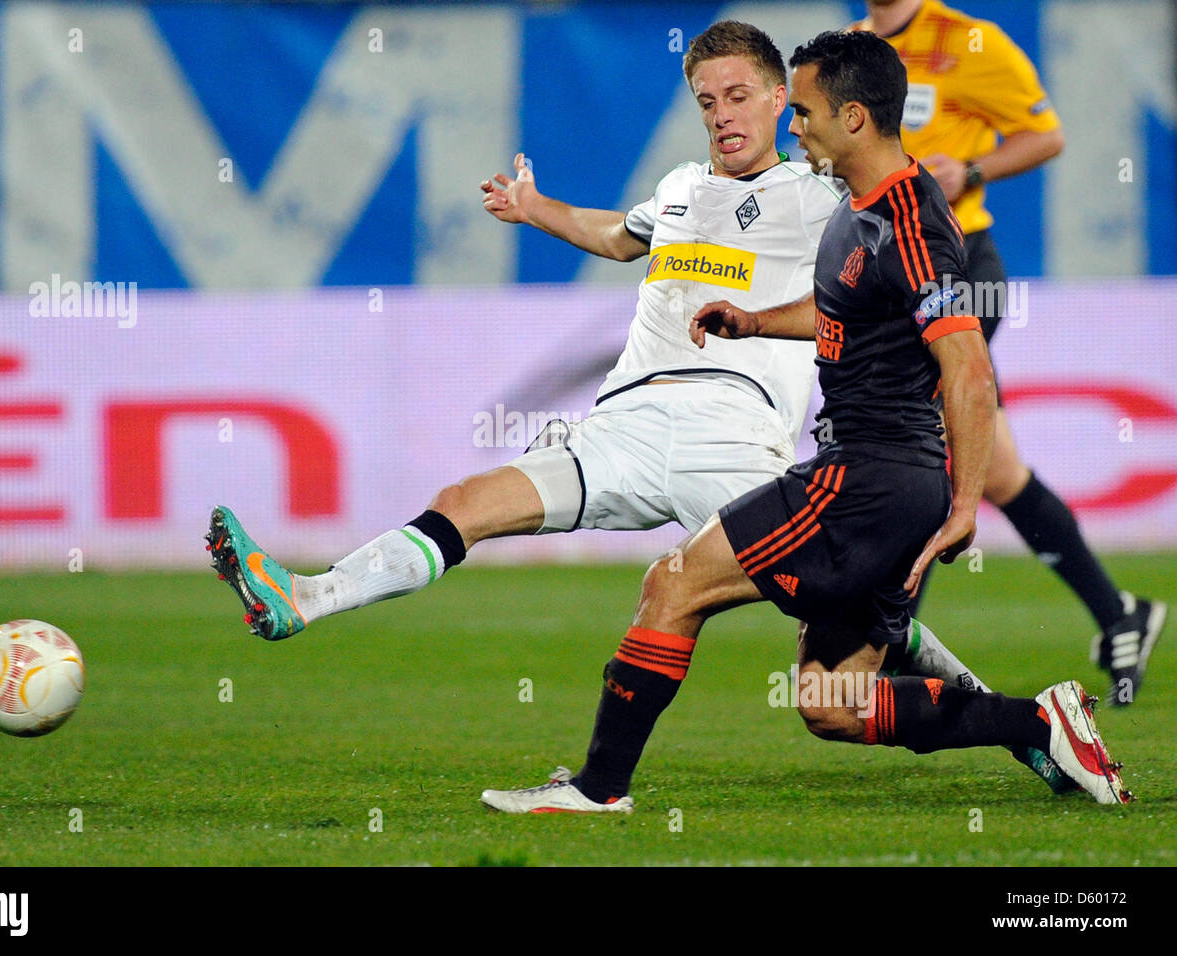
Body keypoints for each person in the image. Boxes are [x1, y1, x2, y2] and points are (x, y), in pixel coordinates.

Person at [209, 20, 1065, 796]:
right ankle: (307, 597)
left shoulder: (826, 196)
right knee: (464, 505)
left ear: (780, 100)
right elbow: (621, 234)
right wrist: (535, 210)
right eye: (706, 101)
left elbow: (903, 272)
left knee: (842, 620)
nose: (723, 115)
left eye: (740, 97)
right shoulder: (683, 187)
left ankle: (1005, 717)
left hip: (732, 433)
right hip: (618, 427)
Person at [480, 29, 1130, 814]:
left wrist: (964, 507)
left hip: (868, 478)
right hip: (882, 484)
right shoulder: (860, 212)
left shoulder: (913, 226)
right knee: (833, 705)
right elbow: (843, 310)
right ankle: (1041, 721)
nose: (795, 125)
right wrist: (756, 322)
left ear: (854, 118)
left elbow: (969, 370)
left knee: (675, 583)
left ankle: (597, 789)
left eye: (809, 111)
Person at [858, 0, 1165, 706]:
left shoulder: (967, 40)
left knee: (924, 444)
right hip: (888, 269)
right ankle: (1119, 614)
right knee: (995, 472)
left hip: (958, 264)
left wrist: (970, 168)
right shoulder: (850, 45)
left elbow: (1045, 134)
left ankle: (893, 639)